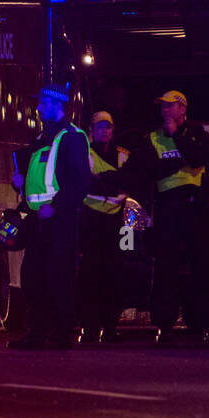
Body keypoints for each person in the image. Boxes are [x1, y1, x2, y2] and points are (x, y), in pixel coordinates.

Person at [127, 89, 209, 344]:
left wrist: (177, 135)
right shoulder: (153, 138)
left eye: (170, 106)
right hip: (168, 210)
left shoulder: (197, 132)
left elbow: (198, 157)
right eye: (163, 107)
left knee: (202, 268)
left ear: (182, 109)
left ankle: (203, 324)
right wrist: (173, 165)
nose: (165, 111)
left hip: (195, 209)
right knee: (166, 269)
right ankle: (165, 325)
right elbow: (144, 170)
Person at [7, 85, 91, 350]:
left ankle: (61, 332)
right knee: (33, 277)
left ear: (58, 105)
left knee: (58, 276)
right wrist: (18, 183)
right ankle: (39, 330)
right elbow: (39, 179)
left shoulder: (72, 137)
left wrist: (56, 207)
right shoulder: (43, 137)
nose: (39, 108)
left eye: (43, 103)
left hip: (58, 220)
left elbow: (79, 181)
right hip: (37, 219)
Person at [78, 111, 130, 343]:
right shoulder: (84, 153)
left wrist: (104, 178)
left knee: (115, 276)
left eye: (108, 126)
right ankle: (89, 329)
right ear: (92, 129)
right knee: (89, 277)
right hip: (90, 220)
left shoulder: (123, 155)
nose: (105, 130)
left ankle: (110, 328)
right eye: (100, 127)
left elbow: (131, 180)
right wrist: (113, 179)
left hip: (116, 222)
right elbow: (85, 182)